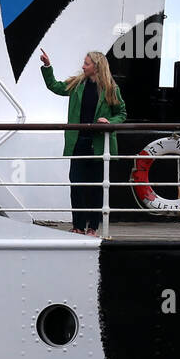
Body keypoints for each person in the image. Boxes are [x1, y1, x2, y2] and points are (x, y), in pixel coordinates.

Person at [40, 49, 127, 235]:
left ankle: (92, 227)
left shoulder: (111, 89)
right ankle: (78, 226)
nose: (83, 66)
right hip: (79, 142)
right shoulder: (77, 84)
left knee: (96, 187)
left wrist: (110, 122)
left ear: (96, 67)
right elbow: (55, 86)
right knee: (77, 185)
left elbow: (121, 113)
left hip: (97, 145)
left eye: (86, 63)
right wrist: (47, 66)